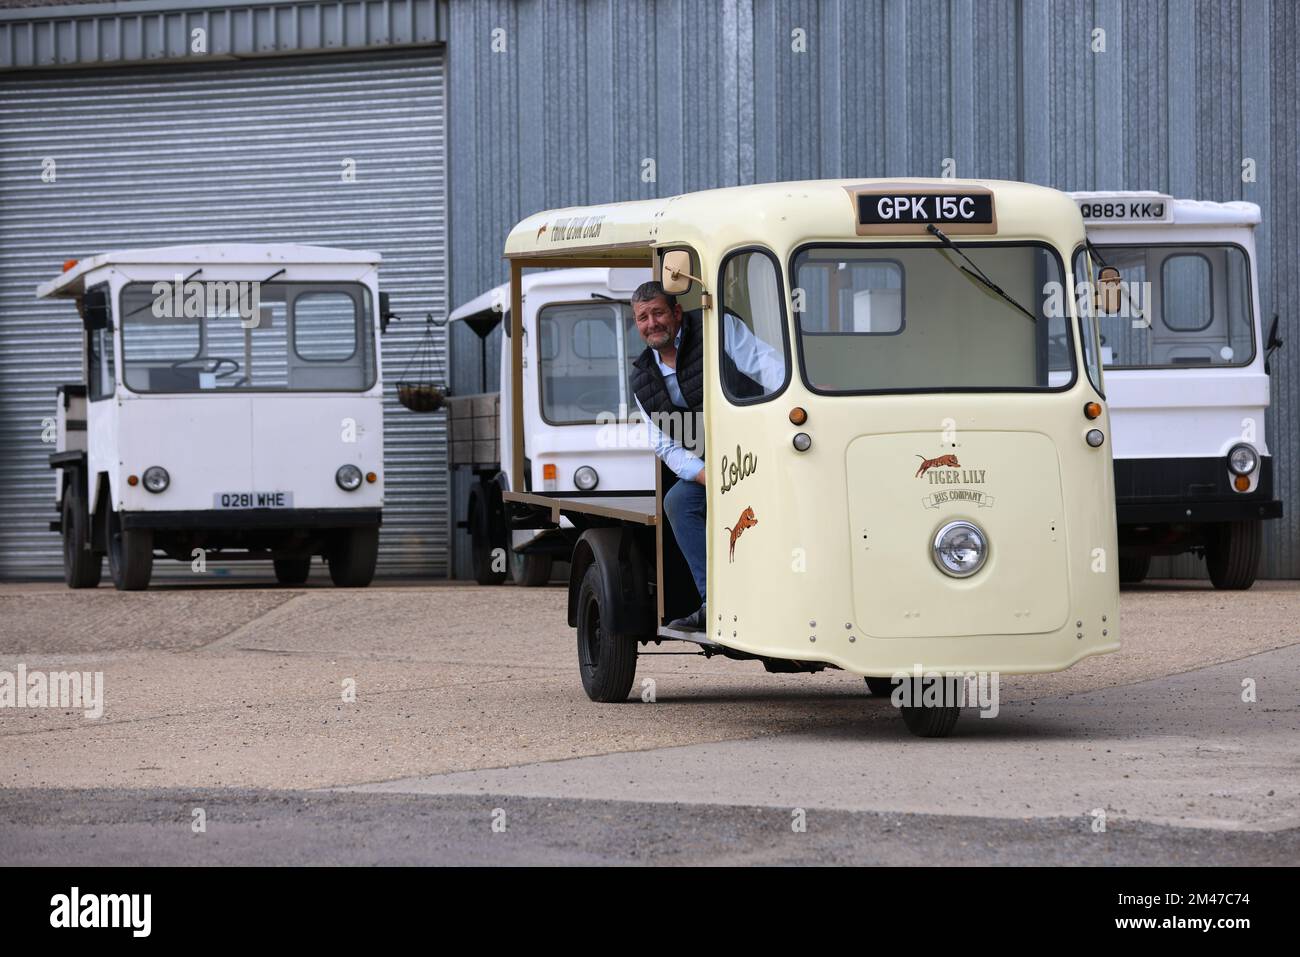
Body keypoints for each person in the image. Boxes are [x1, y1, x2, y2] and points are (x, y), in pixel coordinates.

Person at [628, 280, 784, 630]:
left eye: (658, 313)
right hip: (710, 466)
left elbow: (766, 365)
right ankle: (713, 602)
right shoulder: (641, 379)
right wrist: (706, 476)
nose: (652, 323)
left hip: (757, 449)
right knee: (678, 502)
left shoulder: (717, 328)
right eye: (643, 318)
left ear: (676, 313)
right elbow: (665, 446)